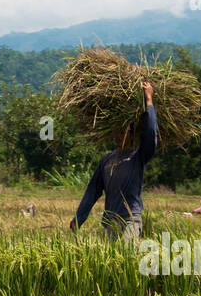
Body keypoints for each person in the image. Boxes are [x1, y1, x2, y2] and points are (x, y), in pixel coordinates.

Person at [68, 81, 158, 242]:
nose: (117, 136)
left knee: (126, 254)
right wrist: (78, 218)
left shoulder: (138, 156)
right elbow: (92, 192)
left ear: (131, 133)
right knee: (108, 261)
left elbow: (151, 133)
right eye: (115, 132)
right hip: (110, 220)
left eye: (122, 132)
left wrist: (149, 101)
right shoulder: (106, 160)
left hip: (131, 218)